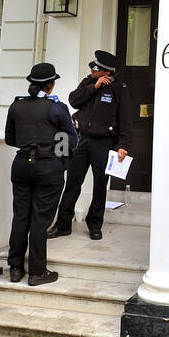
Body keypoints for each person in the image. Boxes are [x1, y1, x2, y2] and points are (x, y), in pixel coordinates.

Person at [4, 63, 77, 285]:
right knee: (40, 219)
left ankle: (15, 268)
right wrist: (60, 160)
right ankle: (37, 272)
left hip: (21, 164)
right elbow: (71, 140)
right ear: (51, 85)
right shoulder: (57, 107)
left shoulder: (17, 106)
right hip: (47, 166)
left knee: (21, 216)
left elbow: (10, 139)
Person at [48, 50, 132, 241]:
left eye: (95, 68)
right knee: (72, 182)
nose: (92, 69)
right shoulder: (88, 82)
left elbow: (126, 120)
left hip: (104, 142)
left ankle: (95, 225)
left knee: (100, 185)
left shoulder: (119, 88)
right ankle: (62, 224)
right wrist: (94, 86)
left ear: (106, 72)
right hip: (82, 140)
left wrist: (123, 145)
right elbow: (73, 100)